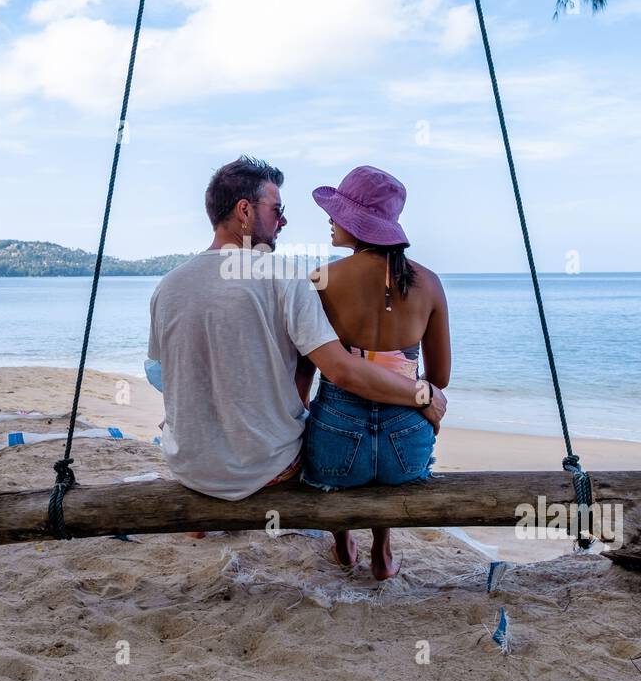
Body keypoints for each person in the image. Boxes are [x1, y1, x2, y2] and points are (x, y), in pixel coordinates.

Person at [147, 157, 447, 514]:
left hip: (189, 466)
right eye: (277, 210)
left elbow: (162, 373)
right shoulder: (286, 278)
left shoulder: (168, 286)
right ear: (244, 210)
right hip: (269, 469)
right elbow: (340, 370)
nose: (284, 220)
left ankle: (205, 515)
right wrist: (423, 394)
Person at [300, 165, 451, 580]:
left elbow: (303, 374)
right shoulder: (431, 283)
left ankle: (342, 542)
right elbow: (440, 376)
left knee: (327, 448)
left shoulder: (320, 279)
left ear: (358, 222)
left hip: (337, 439)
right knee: (386, 473)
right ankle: (383, 549)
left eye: (338, 212)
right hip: (406, 446)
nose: (330, 219)